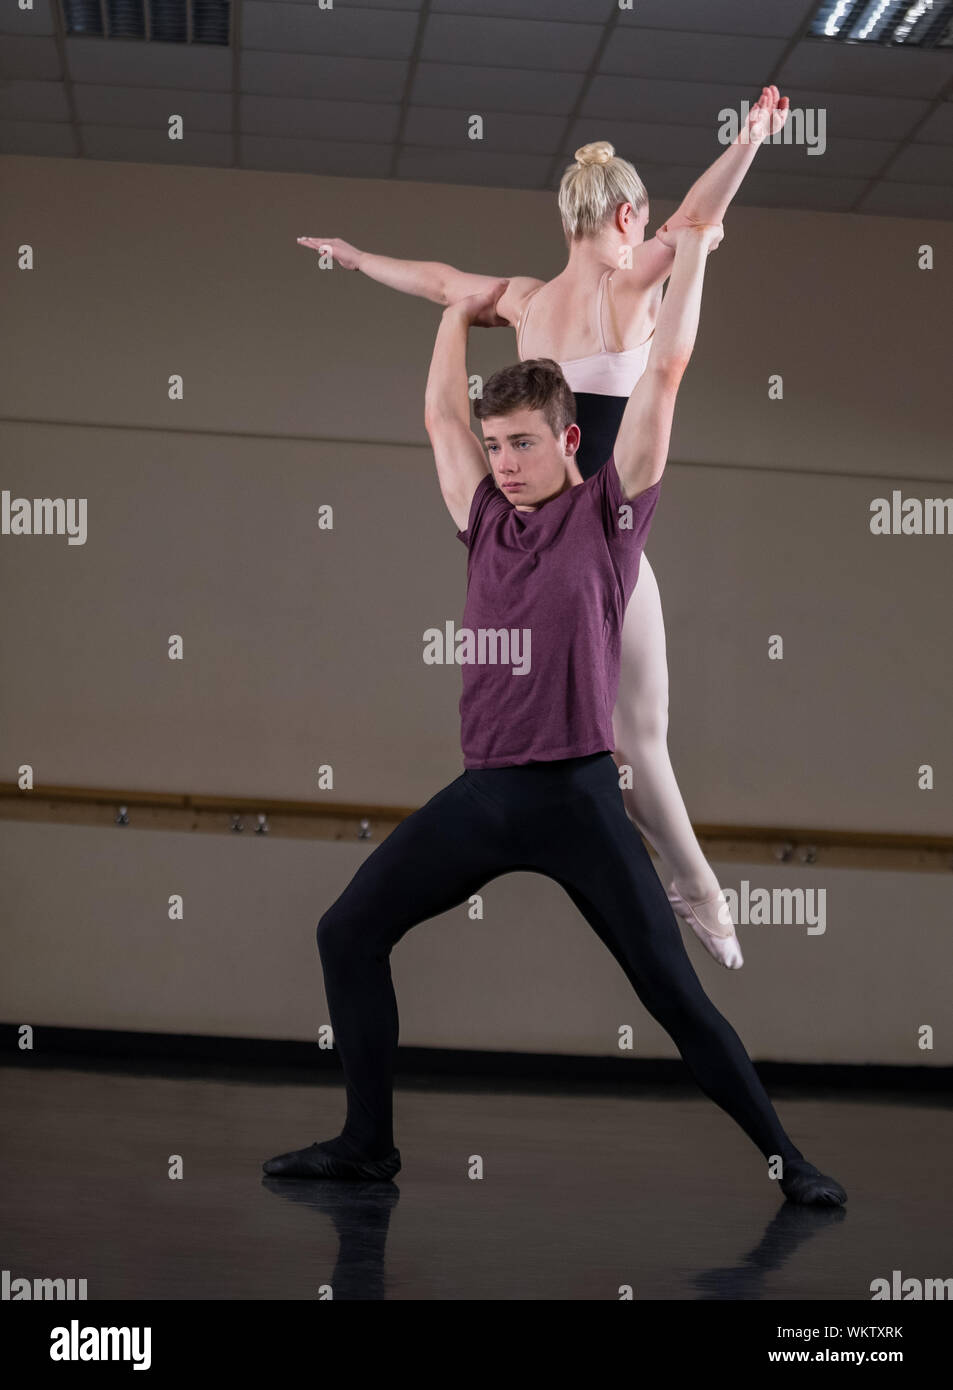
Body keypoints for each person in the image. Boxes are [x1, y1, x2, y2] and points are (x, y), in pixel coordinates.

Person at [264, 220, 846, 1208]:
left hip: (578, 797)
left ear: (569, 440)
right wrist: (452, 314)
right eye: (496, 446)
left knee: (671, 992)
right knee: (344, 932)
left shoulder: (610, 520)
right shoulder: (482, 519)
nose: (504, 461)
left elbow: (662, 377)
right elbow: (439, 421)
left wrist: (695, 251)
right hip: (484, 796)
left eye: (523, 444)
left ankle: (788, 1160)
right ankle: (367, 1143)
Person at [297, 86, 792, 973]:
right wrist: (750, 140)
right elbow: (695, 222)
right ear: (625, 216)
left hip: (530, 559)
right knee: (641, 737)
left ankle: (682, 889)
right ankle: (702, 896)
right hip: (608, 556)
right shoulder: (626, 287)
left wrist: (354, 257)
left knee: (604, 734)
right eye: (643, 227)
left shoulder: (525, 301)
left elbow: (442, 285)